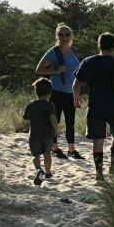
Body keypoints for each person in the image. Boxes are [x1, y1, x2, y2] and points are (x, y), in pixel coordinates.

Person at [73, 33, 114, 181]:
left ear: (99, 45)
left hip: (95, 106)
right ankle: (113, 166)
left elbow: (76, 84)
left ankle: (99, 172)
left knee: (97, 140)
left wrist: (76, 97)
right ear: (113, 47)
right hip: (113, 107)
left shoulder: (87, 61)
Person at [34, 23, 83, 160]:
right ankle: (55, 148)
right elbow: (39, 69)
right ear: (57, 36)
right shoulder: (53, 52)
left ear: (71, 36)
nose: (64, 37)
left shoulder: (73, 51)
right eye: (60, 34)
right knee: (55, 121)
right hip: (56, 91)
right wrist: (55, 71)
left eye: (67, 34)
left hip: (70, 92)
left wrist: (78, 93)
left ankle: (71, 150)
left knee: (70, 122)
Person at [23, 78, 58, 186]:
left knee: (35, 154)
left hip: (34, 134)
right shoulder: (50, 105)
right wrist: (56, 130)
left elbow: (26, 117)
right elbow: (53, 118)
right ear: (50, 92)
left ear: (36, 91)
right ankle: (48, 173)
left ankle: (38, 169)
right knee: (47, 153)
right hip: (47, 135)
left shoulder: (30, 105)